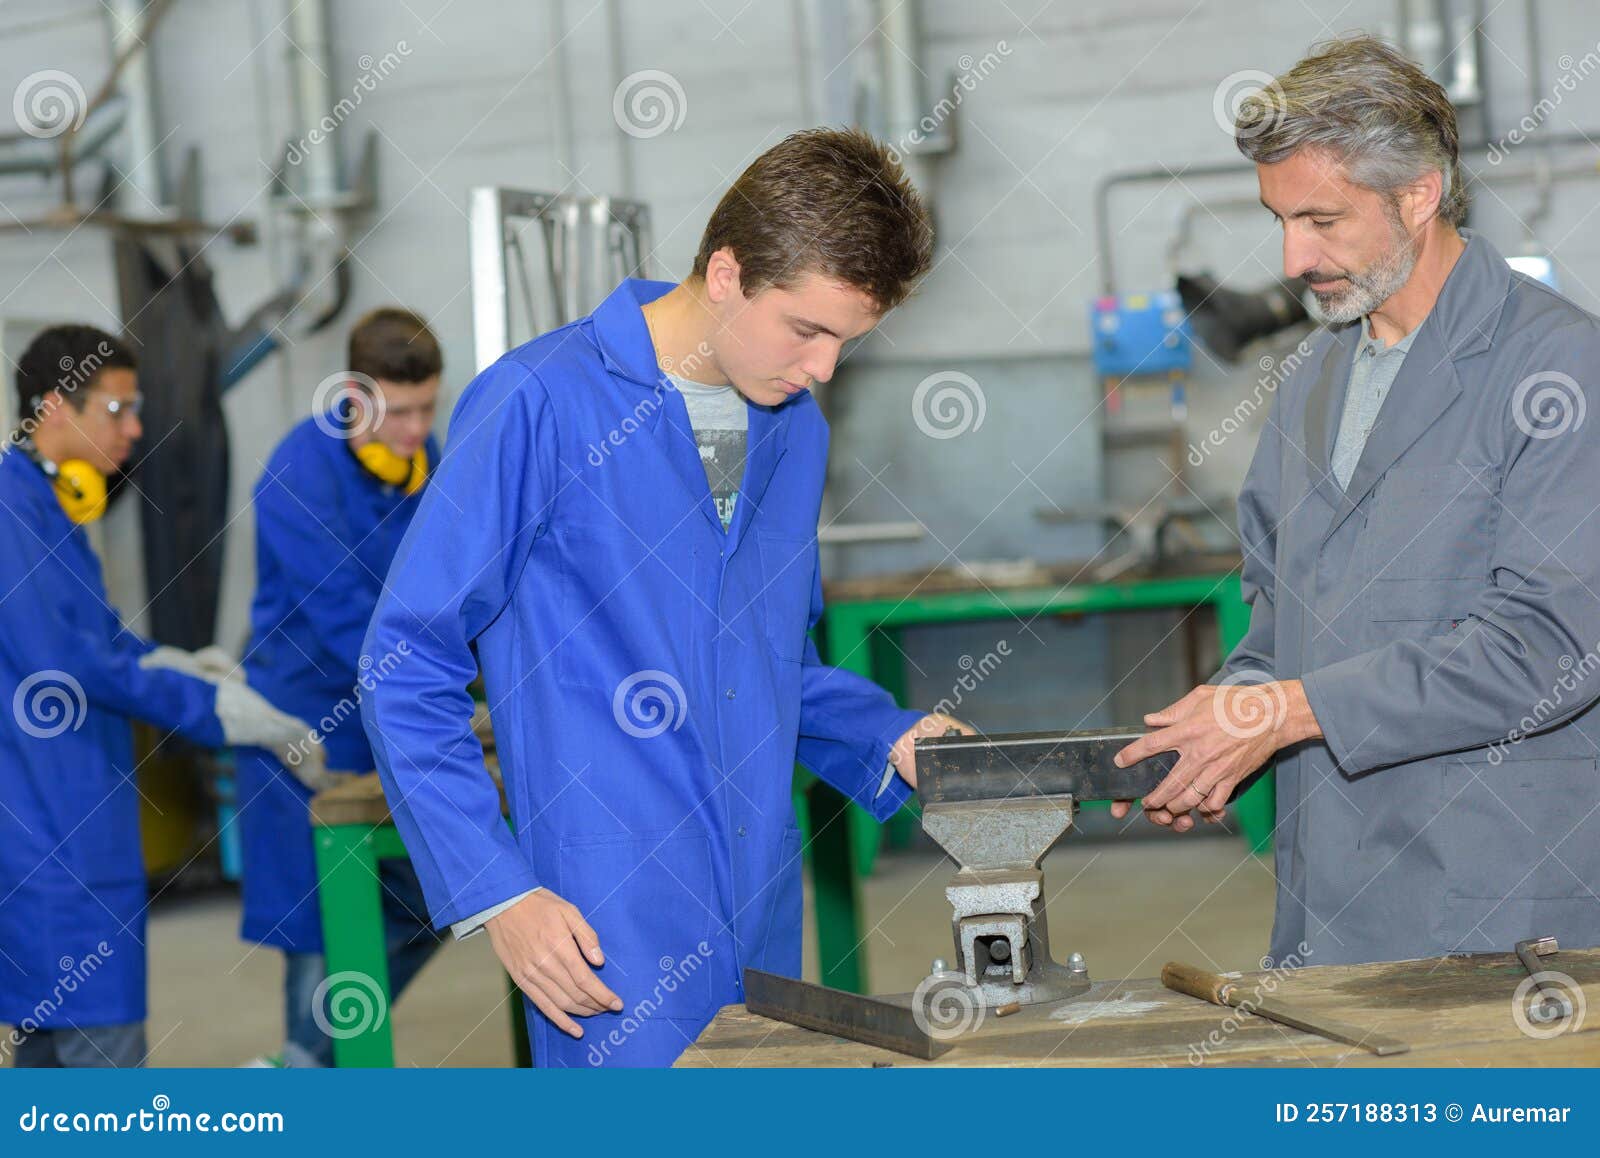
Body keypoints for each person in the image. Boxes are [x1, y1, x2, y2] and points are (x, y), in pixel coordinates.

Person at [362, 127, 967, 1067]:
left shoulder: (791, 431)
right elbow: (406, 665)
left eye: (845, 343)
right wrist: (499, 892)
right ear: (726, 272)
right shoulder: (539, 404)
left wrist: (886, 734)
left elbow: (768, 666)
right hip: (602, 933)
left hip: (761, 908)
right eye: (807, 330)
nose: (823, 371)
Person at [1113, 35, 1600, 966]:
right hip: (1330, 902)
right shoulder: (1312, 382)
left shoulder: (1561, 368)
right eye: (1280, 220)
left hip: (1503, 912)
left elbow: (1550, 645)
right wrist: (1224, 728)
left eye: (1323, 220)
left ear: (1418, 194)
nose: (1295, 257)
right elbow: (1281, 620)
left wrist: (1290, 713)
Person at [0, 325, 324, 1066]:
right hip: (53, 835)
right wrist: (213, 711)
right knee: (97, 1049)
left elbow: (103, 642)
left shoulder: (46, 510)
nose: (136, 428)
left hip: (74, 815)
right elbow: (70, 663)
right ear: (55, 407)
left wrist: (182, 662)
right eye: (119, 409)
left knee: (52, 1061)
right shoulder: (11, 514)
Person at [237, 309, 446, 1067]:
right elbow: (347, 622)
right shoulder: (300, 472)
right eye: (404, 411)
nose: (419, 429)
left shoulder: (421, 460)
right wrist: (446, 700)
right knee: (323, 926)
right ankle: (302, 1068)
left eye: (429, 408)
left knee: (428, 905)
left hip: (389, 720)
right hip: (307, 729)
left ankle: (306, 1065)